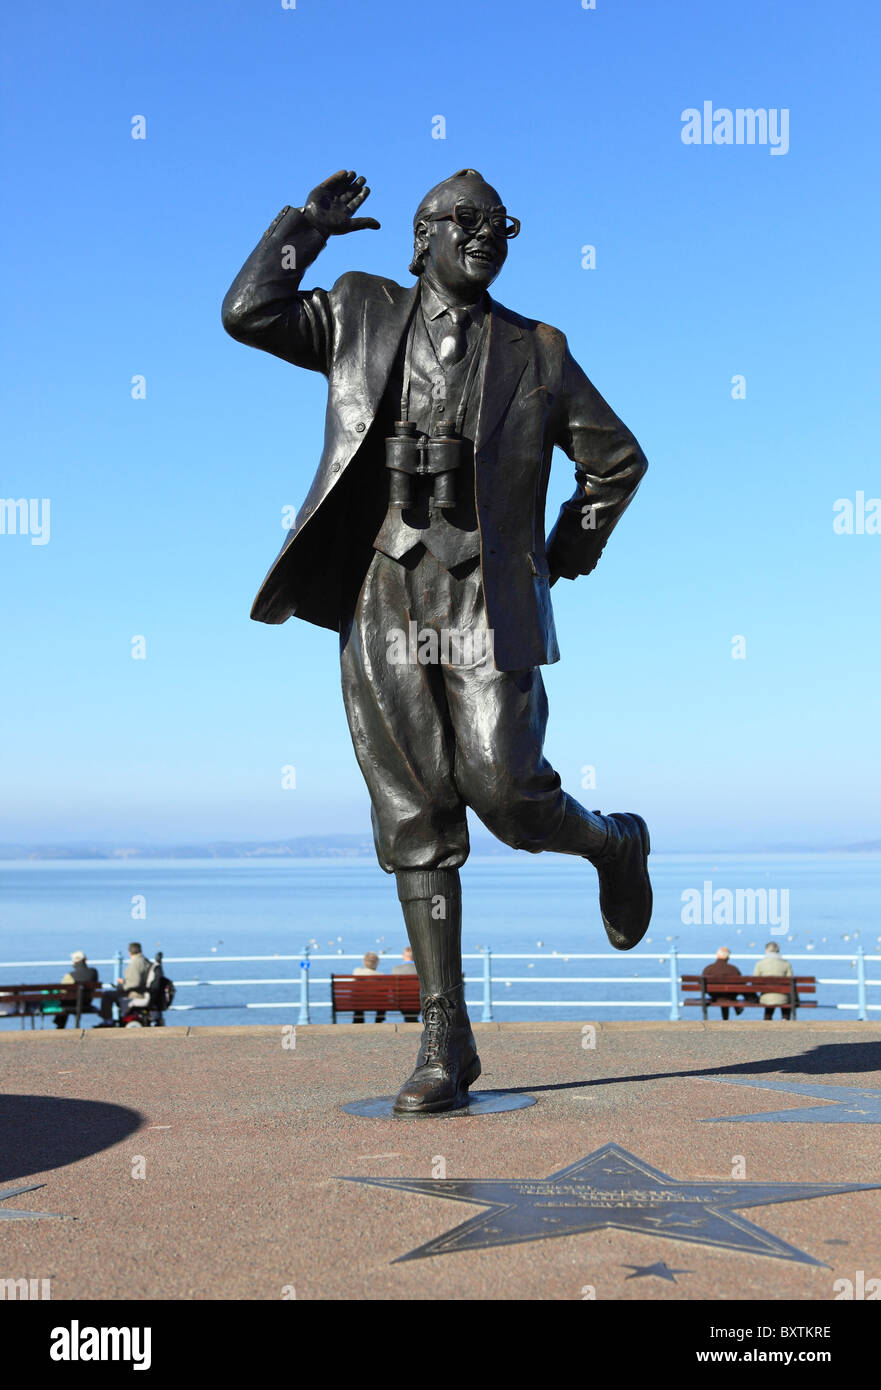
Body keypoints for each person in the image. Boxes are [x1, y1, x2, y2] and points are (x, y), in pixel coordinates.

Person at [223, 167, 651, 1113]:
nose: (485, 233)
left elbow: (616, 461)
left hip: (486, 600)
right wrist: (305, 230)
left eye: (498, 222)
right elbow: (248, 313)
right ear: (419, 239)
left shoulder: (537, 350)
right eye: (464, 221)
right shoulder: (359, 312)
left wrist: (558, 556)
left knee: (507, 791)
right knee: (412, 815)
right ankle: (444, 1041)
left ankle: (613, 845)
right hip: (383, 589)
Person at [96, 942, 150, 1026]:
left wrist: (123, 986)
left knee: (107, 995)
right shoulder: (145, 961)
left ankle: (108, 1020)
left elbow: (135, 983)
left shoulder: (135, 963)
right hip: (143, 992)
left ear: (129, 952)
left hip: (134, 994)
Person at [53, 950, 100, 1029]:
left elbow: (62, 991)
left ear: (74, 962)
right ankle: (60, 1025)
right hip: (87, 1002)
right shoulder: (94, 972)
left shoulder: (70, 975)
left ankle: (60, 1026)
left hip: (72, 1004)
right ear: (85, 960)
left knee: (64, 1001)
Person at [753, 940, 794, 1019]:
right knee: (783, 998)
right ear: (778, 951)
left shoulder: (760, 964)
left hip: (765, 998)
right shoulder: (786, 964)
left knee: (770, 998)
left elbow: (754, 982)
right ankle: (785, 1019)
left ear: (766, 950)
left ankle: (767, 1019)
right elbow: (790, 982)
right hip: (783, 998)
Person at [701, 947, 744, 1021]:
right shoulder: (733, 969)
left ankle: (728, 1016)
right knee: (729, 994)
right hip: (730, 995)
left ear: (717, 956)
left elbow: (700, 984)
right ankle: (735, 1008)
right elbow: (742, 984)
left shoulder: (708, 969)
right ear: (727, 957)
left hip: (714, 995)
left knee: (723, 995)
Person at [352, 950, 385, 1023]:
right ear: (377, 963)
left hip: (359, 1002)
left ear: (364, 962)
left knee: (358, 998)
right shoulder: (380, 975)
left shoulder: (357, 972)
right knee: (383, 999)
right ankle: (379, 1021)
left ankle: (358, 1021)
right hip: (376, 1003)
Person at [392, 945, 419, 1021]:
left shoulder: (396, 969)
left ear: (403, 956)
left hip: (401, 1000)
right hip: (417, 1001)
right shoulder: (420, 970)